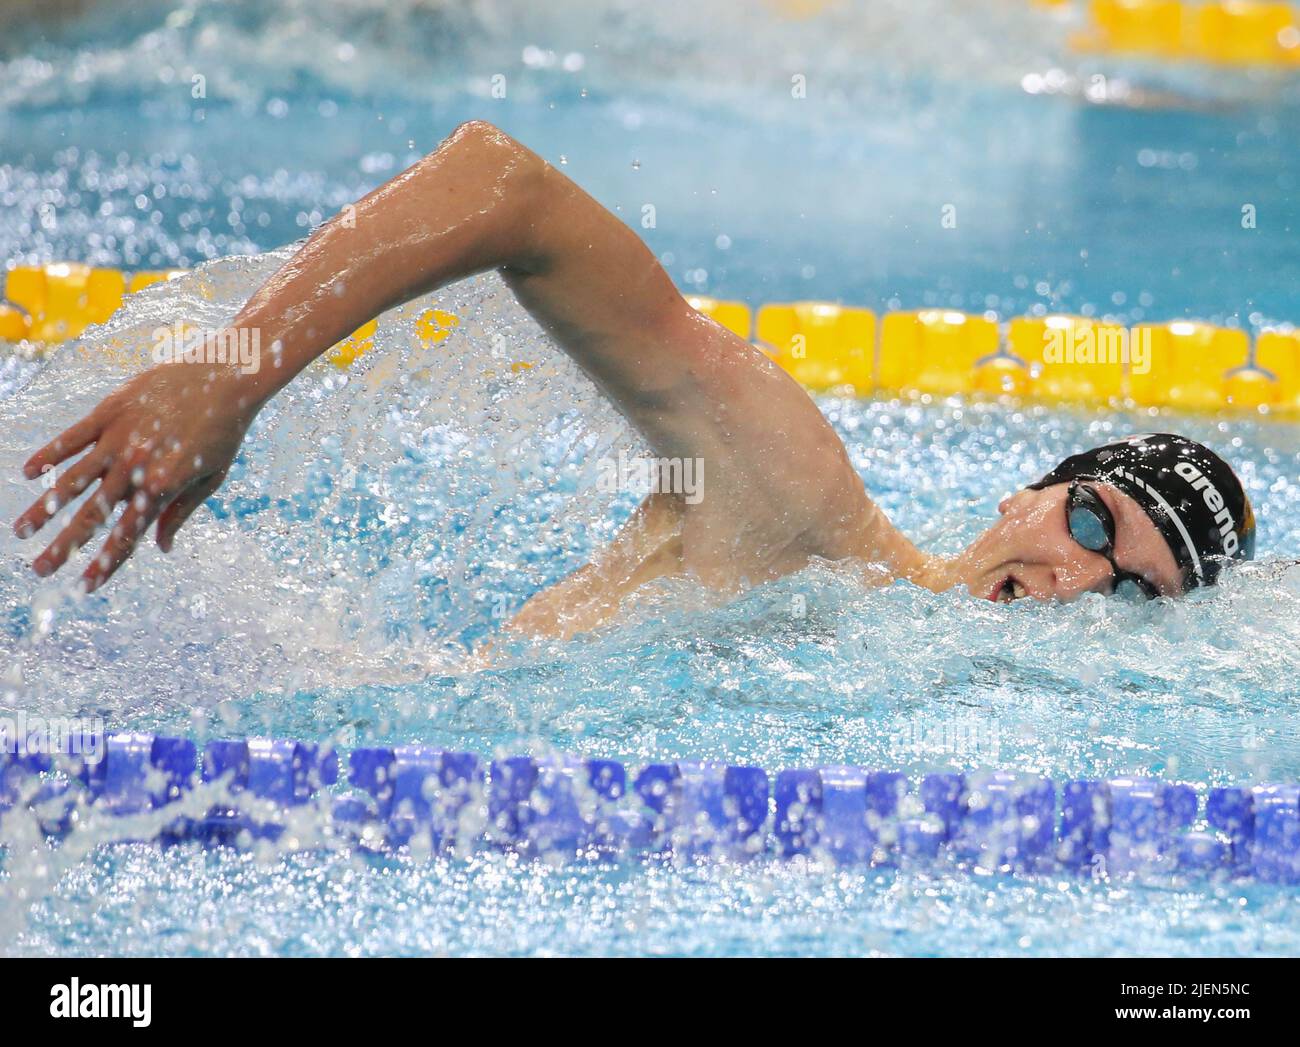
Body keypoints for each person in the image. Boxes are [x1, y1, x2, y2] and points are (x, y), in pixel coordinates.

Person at [12, 121, 1256, 639]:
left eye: (1133, 590)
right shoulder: (800, 508)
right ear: (1024, 492)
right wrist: (228, 374)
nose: (1077, 581)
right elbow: (504, 187)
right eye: (1091, 520)